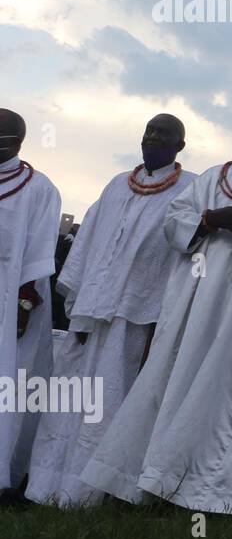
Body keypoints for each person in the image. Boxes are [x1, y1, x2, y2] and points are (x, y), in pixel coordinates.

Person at [81, 111, 232, 513]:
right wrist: (211, 220)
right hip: (199, 309)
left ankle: (223, 492)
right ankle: (162, 480)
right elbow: (174, 222)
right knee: (181, 381)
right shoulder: (212, 179)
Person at [25, 115, 195, 507]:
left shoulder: (190, 188)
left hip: (136, 315)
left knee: (110, 404)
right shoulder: (118, 183)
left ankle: (91, 494)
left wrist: (162, 317)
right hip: (90, 309)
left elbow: (180, 253)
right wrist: (78, 298)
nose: (152, 138)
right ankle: (43, 485)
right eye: (149, 131)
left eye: (163, 134)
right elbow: (87, 239)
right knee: (68, 400)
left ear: (180, 145)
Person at [0, 109, 61, 497]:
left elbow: (39, 252)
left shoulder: (39, 188)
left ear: (16, 142)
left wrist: (23, 305)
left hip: (12, 296)